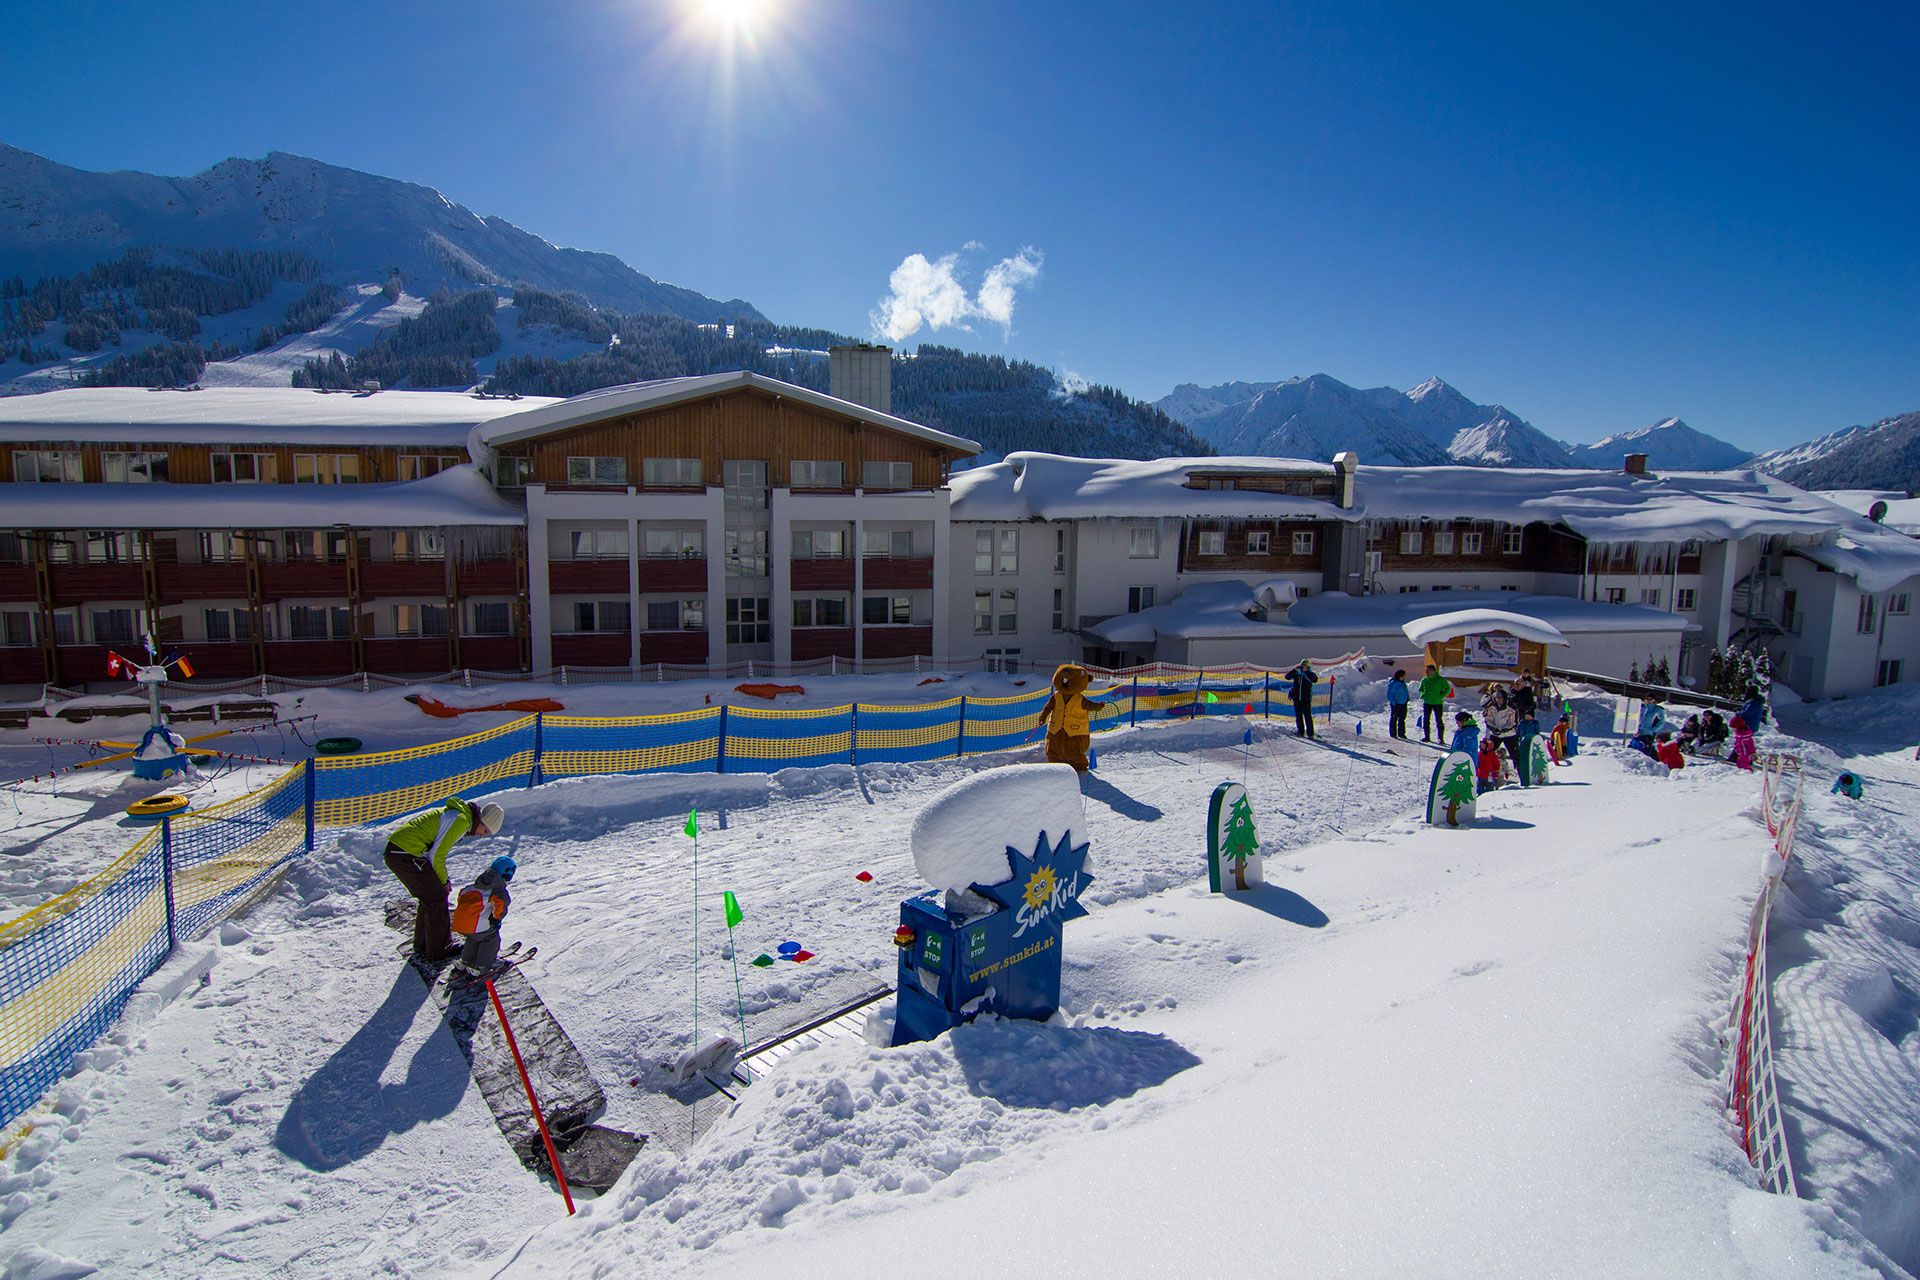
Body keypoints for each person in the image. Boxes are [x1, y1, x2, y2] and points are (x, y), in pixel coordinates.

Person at [384, 796, 506, 961]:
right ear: (482, 821)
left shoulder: (461, 817)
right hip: (404, 853)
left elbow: (433, 852)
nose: (482, 835)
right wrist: (443, 882)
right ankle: (440, 949)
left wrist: (442, 880)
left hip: (402, 851)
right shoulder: (461, 821)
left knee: (429, 897)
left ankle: (424, 944)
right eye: (485, 831)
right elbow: (437, 855)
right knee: (437, 897)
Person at [453, 855, 517, 976]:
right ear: (508, 874)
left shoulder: (472, 886)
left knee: (473, 938)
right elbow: (501, 905)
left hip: (459, 922)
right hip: (476, 926)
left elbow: (461, 895)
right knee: (491, 938)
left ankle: (467, 960)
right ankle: (484, 964)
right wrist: (496, 919)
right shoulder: (497, 890)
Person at [1040, 663, 1097, 772]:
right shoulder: (1056, 696)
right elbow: (1048, 707)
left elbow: (1089, 705)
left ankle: (1079, 765)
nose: (1065, 684)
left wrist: (1098, 706)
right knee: (1053, 749)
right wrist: (1043, 717)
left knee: (1074, 751)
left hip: (1075, 732)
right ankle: (1056, 762)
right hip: (1055, 729)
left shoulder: (1080, 699)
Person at [1418, 664, 1452, 743]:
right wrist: (1422, 694)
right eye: (1426, 671)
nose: (1426, 672)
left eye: (1428, 671)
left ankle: (1440, 738)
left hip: (1437, 703)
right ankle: (1427, 737)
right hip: (1427, 703)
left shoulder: (1440, 679)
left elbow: (1447, 688)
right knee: (1426, 719)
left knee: (1439, 720)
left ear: (1433, 671)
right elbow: (1421, 689)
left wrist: (1441, 696)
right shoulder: (1424, 680)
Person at [1287, 659, 1319, 739]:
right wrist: (1294, 670)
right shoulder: (1297, 674)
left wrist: (1307, 672)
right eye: (1302, 666)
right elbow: (1287, 677)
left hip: (1306, 699)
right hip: (1297, 698)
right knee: (1298, 716)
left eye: (1305, 666)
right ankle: (1300, 731)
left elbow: (1315, 679)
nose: (1303, 668)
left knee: (1307, 716)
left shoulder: (1309, 674)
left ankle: (1310, 733)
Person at [1386, 669, 1411, 739]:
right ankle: (1393, 733)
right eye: (1404, 675)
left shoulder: (1403, 683)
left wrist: (1407, 699)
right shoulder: (1393, 684)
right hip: (1396, 704)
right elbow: (1390, 695)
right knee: (1394, 718)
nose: (1405, 677)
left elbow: (1405, 692)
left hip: (1403, 703)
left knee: (1402, 718)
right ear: (1400, 676)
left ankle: (1401, 733)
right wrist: (1393, 703)